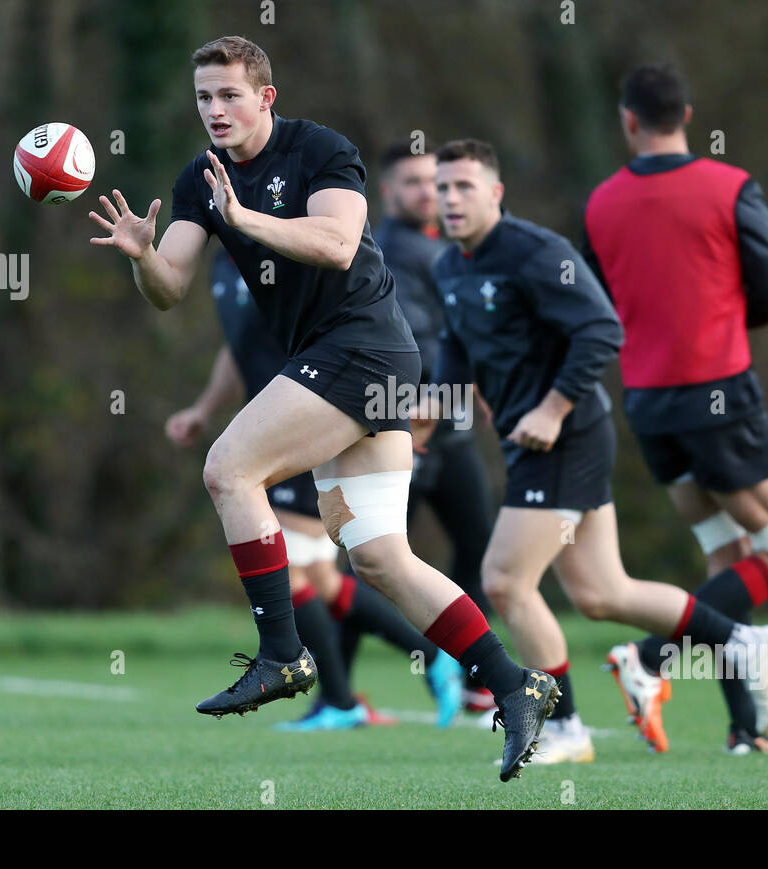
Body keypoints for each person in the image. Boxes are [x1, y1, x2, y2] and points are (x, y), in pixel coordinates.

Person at [89, 35, 555, 781]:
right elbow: (172, 287)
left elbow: (338, 244)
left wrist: (244, 220)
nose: (215, 109)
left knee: (229, 471)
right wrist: (145, 257)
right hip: (350, 363)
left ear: (266, 97)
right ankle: (515, 684)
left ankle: (282, 654)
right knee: (379, 558)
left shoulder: (320, 150)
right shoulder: (198, 181)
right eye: (204, 97)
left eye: (230, 94)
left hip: (364, 350)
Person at [417, 138, 768, 765]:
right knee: (602, 592)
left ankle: (564, 728)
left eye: (464, 187)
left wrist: (551, 407)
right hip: (527, 442)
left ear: (495, 193)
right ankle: (739, 641)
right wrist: (421, 419)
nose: (450, 199)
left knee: (505, 580)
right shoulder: (450, 267)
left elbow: (601, 329)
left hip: (567, 435)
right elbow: (456, 351)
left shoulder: (537, 252)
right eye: (443, 187)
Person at [583, 63, 768, 755]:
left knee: (727, 557)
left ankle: (750, 730)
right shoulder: (730, 187)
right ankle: (649, 660)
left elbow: (600, 302)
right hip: (721, 396)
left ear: (628, 121)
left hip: (648, 404)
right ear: (687, 115)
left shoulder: (600, 204)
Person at [165, 251, 464, 731]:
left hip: (312, 416)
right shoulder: (225, 259)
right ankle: (418, 662)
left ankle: (347, 696)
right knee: (320, 577)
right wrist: (204, 408)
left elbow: (368, 324)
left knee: (300, 571)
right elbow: (237, 344)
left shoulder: (288, 242)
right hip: (271, 423)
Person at [372, 140, 498, 714]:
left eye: (439, 183)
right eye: (416, 182)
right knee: (374, 557)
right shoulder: (391, 249)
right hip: (408, 424)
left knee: (479, 543)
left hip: (450, 428)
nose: (431, 192)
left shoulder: (439, 248)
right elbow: (423, 346)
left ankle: (471, 674)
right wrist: (421, 414)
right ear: (387, 192)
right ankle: (341, 693)